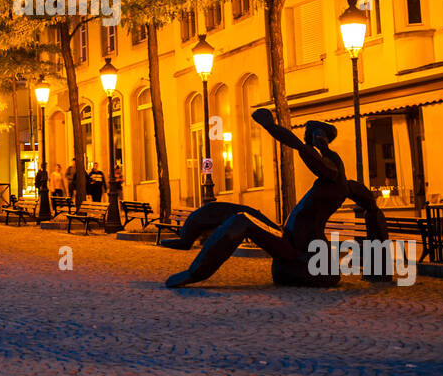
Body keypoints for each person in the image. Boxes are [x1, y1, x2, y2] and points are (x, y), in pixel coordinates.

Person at [164, 109, 388, 289]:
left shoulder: (338, 178)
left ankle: (194, 272)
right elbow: (369, 204)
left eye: (319, 136)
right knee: (230, 210)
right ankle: (186, 239)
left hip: (307, 258)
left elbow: (309, 155)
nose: (315, 141)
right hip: (289, 242)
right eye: (313, 137)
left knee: (241, 222)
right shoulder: (336, 181)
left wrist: (272, 127)